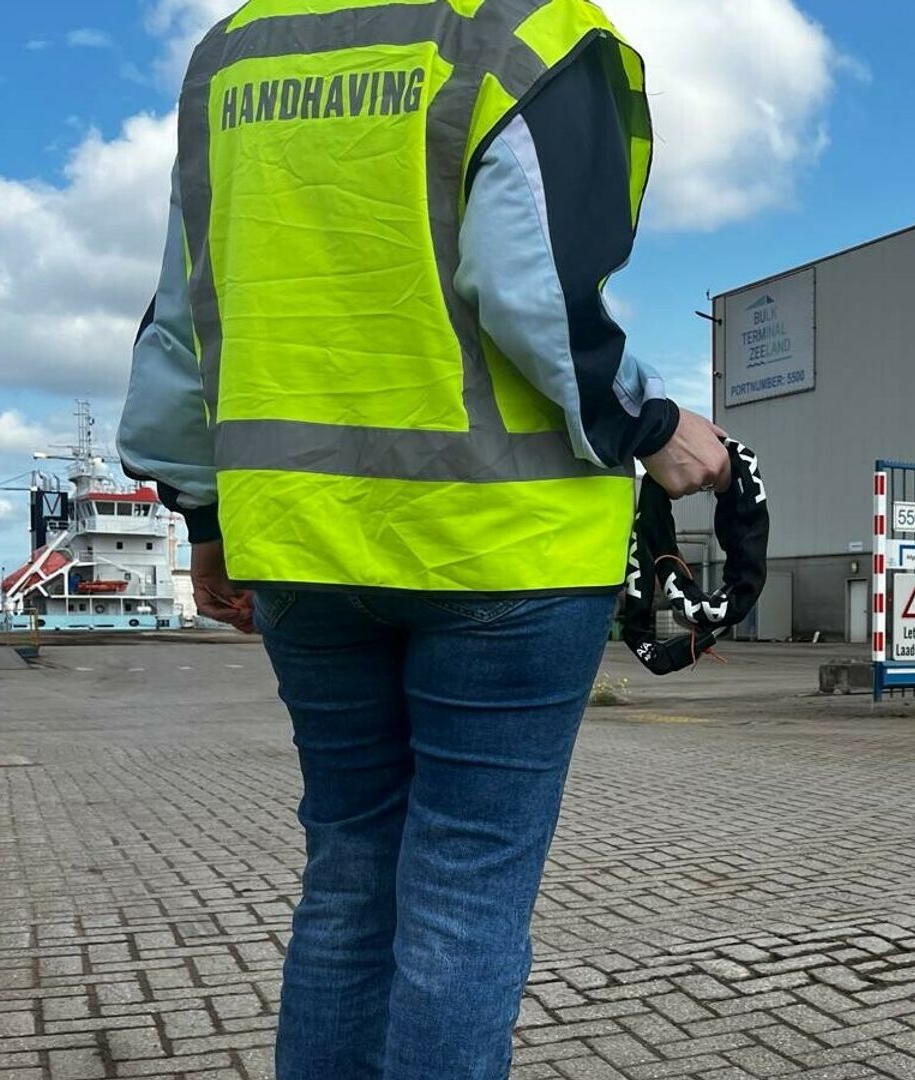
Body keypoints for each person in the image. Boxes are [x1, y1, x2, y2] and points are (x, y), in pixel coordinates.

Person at [117, 3, 729, 1077]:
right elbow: (531, 292)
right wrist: (656, 425)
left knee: (349, 882)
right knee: (465, 900)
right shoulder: (528, 32)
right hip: (506, 548)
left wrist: (206, 515)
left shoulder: (235, 53)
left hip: (304, 548)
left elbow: (185, 315)